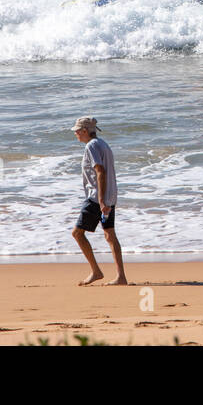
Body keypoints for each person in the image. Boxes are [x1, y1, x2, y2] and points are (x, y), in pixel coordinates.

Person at [70, 116, 127, 286]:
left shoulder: (91, 146)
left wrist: (101, 201)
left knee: (77, 233)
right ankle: (121, 277)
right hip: (110, 196)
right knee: (110, 234)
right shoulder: (103, 144)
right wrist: (107, 200)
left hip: (96, 198)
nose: (76, 134)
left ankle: (96, 271)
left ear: (85, 131)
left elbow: (100, 171)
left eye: (77, 131)